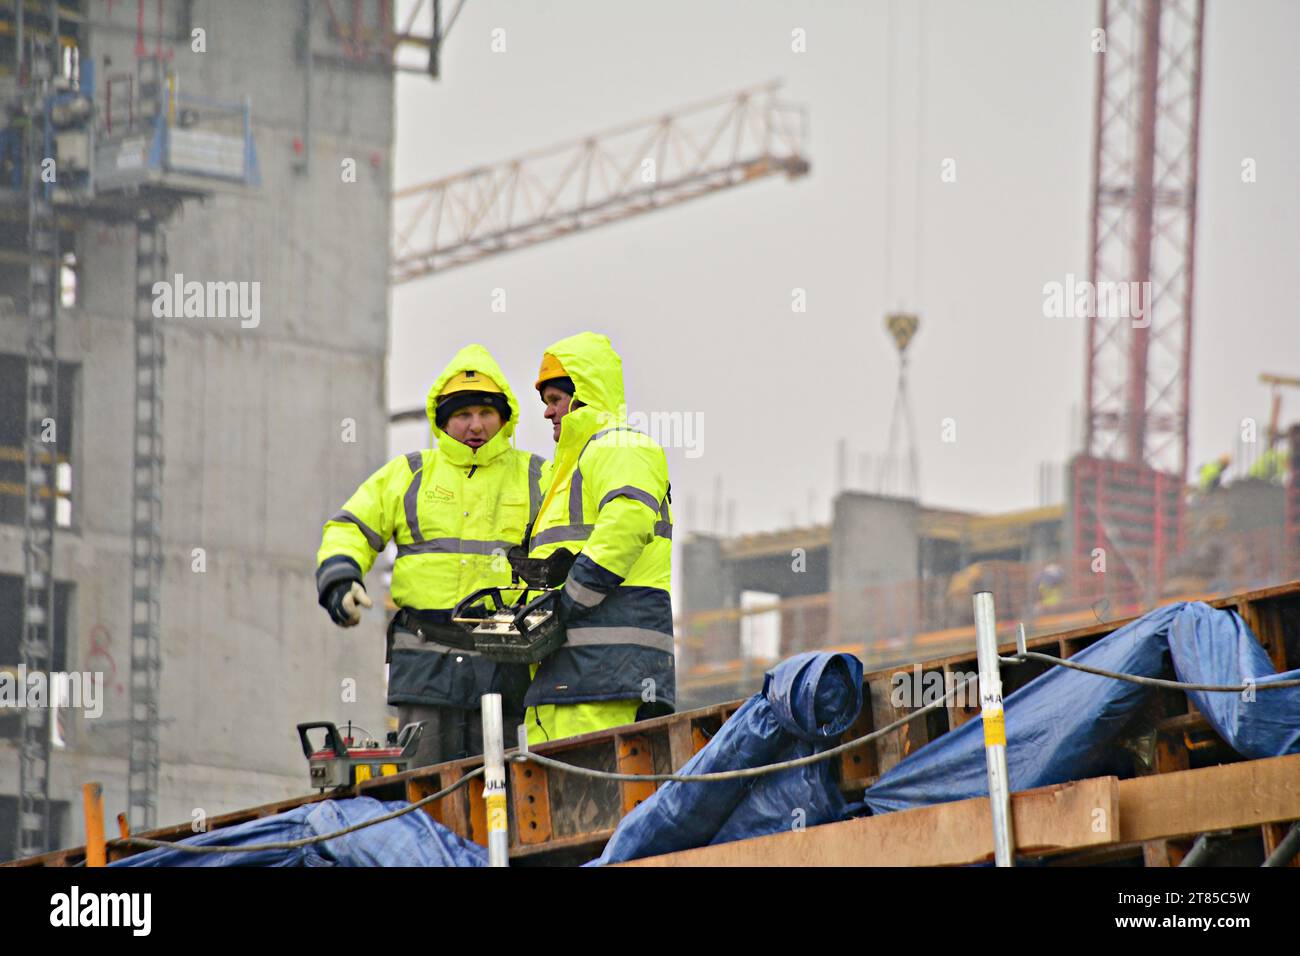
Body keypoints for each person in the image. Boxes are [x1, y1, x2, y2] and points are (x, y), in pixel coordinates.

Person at [315, 345, 548, 766]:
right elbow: (349, 528)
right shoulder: (409, 474)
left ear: (504, 417)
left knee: (503, 796)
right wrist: (341, 579)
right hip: (424, 663)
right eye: (463, 414)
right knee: (424, 790)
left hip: (506, 665)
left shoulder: (537, 477)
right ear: (442, 420)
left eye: (486, 413)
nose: (475, 425)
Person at [522, 332, 675, 744]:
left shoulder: (620, 445)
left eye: (555, 400)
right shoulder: (568, 468)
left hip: (609, 679)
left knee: (603, 802)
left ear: (584, 396)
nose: (548, 412)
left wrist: (569, 601)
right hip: (571, 679)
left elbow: (626, 524)